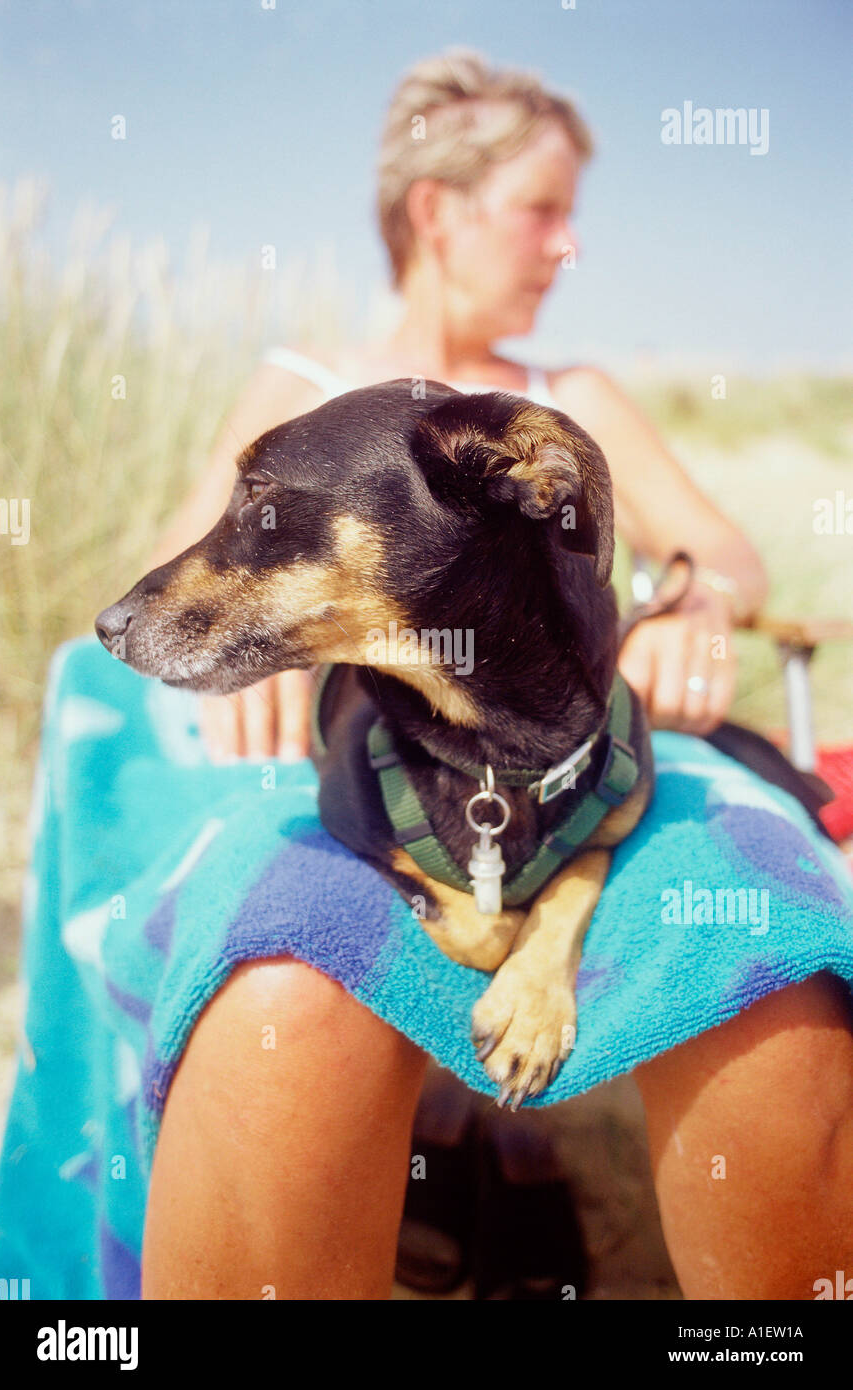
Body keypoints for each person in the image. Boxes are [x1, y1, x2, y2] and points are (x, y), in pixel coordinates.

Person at [141, 51, 853, 1299]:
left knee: (772, 986)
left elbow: (721, 549)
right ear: (437, 210)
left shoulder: (567, 398)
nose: (566, 246)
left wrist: (696, 599)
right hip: (362, 761)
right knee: (284, 992)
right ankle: (446, 1169)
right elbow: (180, 572)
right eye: (541, 209)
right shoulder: (303, 392)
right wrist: (239, 643)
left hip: (586, 760)